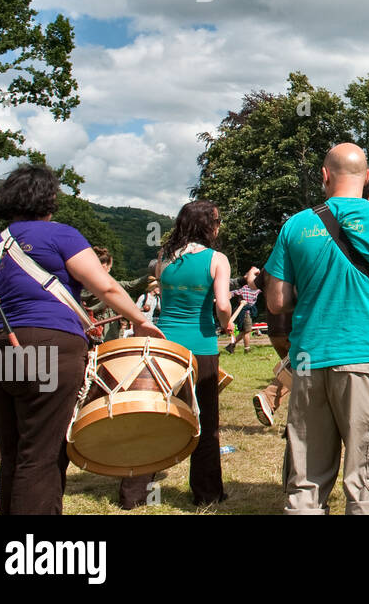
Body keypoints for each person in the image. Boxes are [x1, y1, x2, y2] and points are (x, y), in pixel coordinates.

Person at [0, 163, 163, 515]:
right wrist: (139, 320)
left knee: (13, 453)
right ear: (48, 200)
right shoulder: (61, 235)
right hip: (44, 343)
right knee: (42, 454)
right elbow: (104, 285)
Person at [264, 143, 369, 514]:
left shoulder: (296, 225)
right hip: (364, 359)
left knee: (305, 480)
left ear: (324, 175)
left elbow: (276, 301)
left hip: (307, 362)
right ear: (367, 177)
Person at [118, 200, 234, 509]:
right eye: (217, 221)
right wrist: (228, 324)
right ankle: (207, 494)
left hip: (165, 348)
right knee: (205, 422)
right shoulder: (217, 259)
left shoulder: (163, 259)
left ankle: (133, 494)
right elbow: (222, 305)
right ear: (206, 226)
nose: (219, 226)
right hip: (201, 349)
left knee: (155, 418)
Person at [252, 269, 291, 428]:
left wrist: (249, 276)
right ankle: (269, 397)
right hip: (293, 329)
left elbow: (252, 284)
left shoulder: (271, 264)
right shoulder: (300, 256)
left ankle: (295, 420)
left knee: (299, 375)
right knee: (301, 371)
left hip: (274, 330)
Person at [226, 266, 260, 353]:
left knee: (245, 330)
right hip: (243, 311)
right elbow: (234, 293)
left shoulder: (257, 288)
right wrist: (226, 296)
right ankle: (247, 349)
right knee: (247, 330)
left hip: (250, 310)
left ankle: (231, 345)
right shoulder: (245, 287)